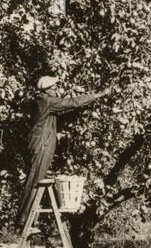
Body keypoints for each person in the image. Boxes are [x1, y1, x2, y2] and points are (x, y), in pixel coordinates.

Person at [16, 75, 110, 231]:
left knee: (35, 179)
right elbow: (71, 103)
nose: (56, 90)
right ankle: (23, 222)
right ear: (47, 90)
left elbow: (66, 109)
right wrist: (98, 95)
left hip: (41, 143)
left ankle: (26, 221)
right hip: (42, 145)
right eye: (54, 88)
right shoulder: (47, 101)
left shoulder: (43, 101)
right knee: (34, 180)